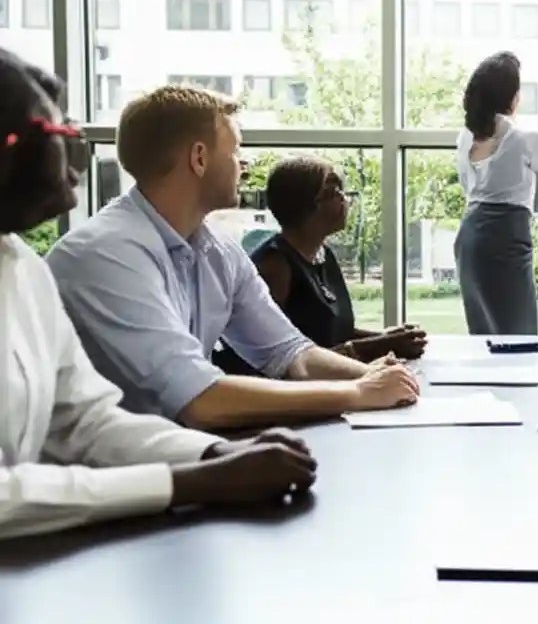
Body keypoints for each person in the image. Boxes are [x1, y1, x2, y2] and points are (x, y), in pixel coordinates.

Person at [0, 48, 317, 539]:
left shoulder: (22, 266)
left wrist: (214, 453)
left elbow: (86, 421)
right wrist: (193, 480)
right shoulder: (97, 251)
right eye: (52, 135)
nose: (73, 158)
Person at [46, 86, 420, 431]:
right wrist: (359, 392)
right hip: (92, 480)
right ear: (199, 158)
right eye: (236, 151)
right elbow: (200, 400)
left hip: (171, 457)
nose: (245, 165)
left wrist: (377, 378)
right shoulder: (105, 255)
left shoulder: (218, 250)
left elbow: (291, 354)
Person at [214, 155, 426, 374]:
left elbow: (335, 333)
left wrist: (388, 338)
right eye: (333, 192)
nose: (344, 199)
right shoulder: (275, 266)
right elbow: (281, 358)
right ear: (304, 203)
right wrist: (374, 347)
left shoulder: (324, 255)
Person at [454, 51, 538, 336]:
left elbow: (467, 184)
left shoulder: (464, 139)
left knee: (483, 330)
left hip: (470, 235)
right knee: (518, 331)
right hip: (506, 236)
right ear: (511, 97)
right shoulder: (525, 140)